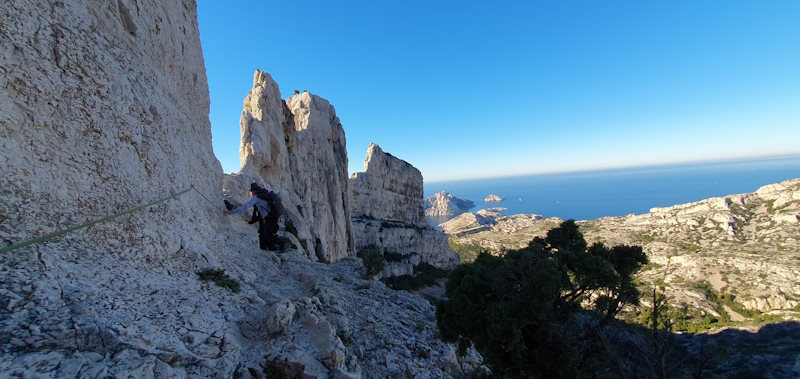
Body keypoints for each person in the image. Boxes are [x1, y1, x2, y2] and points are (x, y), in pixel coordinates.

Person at [226, 183, 281, 250]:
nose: (251, 193)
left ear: (253, 191)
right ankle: (267, 248)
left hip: (269, 218)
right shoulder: (264, 194)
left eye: (251, 191)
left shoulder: (257, 197)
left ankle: (283, 243)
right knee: (264, 233)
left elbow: (246, 206)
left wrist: (233, 211)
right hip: (272, 216)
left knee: (267, 235)